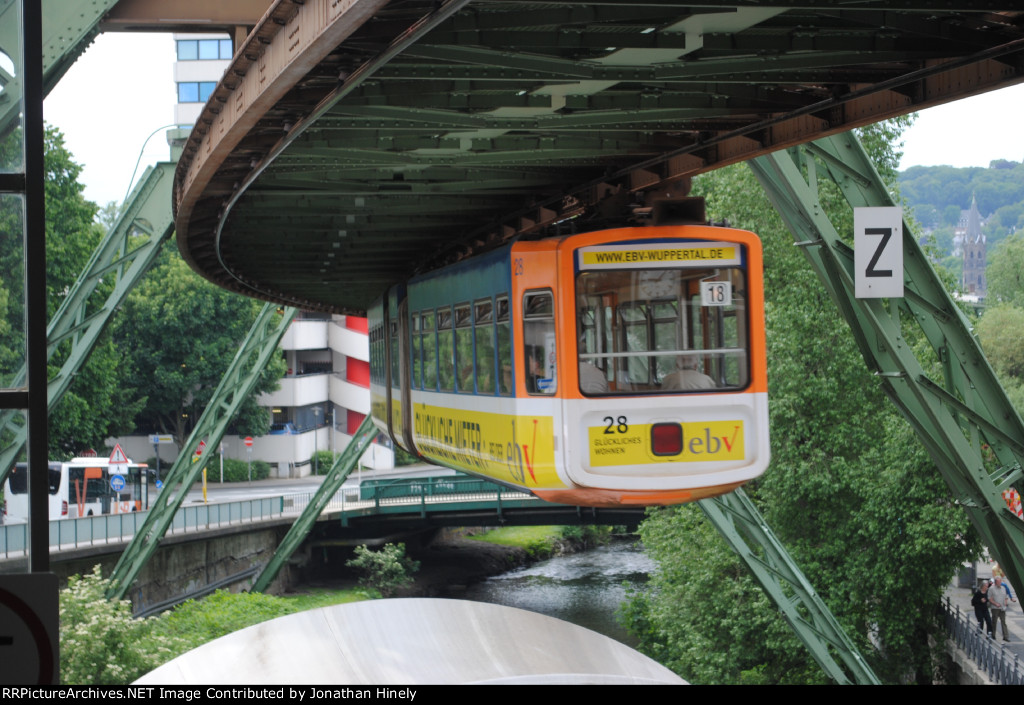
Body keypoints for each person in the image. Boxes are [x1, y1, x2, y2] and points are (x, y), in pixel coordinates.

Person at [989, 576, 1012, 641]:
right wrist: (995, 603)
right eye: (998, 582)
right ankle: (993, 635)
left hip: (1002, 608)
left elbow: (1005, 596)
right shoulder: (991, 589)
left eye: (1000, 582)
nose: (1000, 583)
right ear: (996, 582)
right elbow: (989, 598)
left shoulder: (1003, 588)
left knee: (1003, 622)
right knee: (994, 621)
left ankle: (1005, 636)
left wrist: (1005, 602)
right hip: (995, 608)